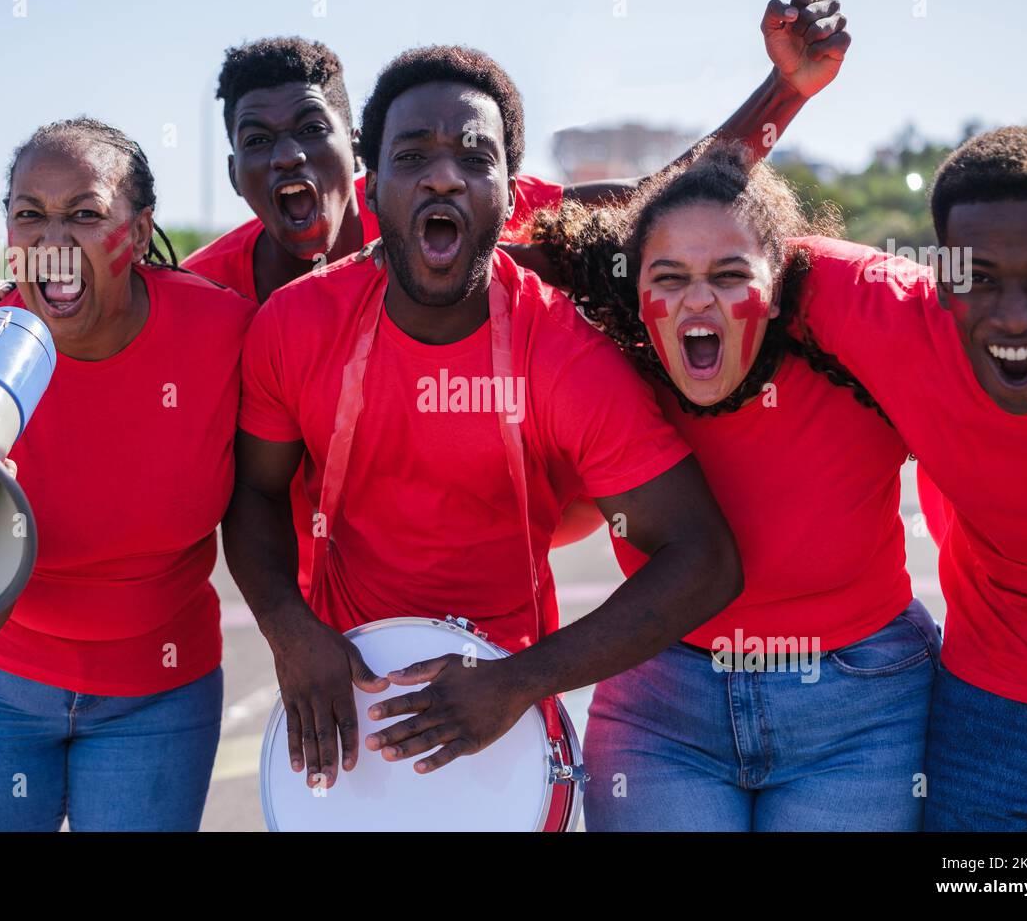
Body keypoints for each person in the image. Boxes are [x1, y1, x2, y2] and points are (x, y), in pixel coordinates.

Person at [224, 46, 743, 789]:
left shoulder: (563, 352)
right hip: (346, 697)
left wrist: (517, 682)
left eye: (475, 157)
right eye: (412, 156)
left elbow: (703, 557)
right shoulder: (295, 326)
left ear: (510, 191)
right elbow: (256, 490)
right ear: (374, 188)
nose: (443, 176)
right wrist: (288, 625)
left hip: (506, 705)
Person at [533, 141, 939, 830]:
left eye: (729, 275)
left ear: (777, 286)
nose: (698, 298)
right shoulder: (610, 369)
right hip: (663, 702)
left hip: (860, 707)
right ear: (635, 291)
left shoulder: (861, 340)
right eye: (669, 277)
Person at [0, 117, 254, 831]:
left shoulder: (225, 334)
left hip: (159, 695)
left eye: (86, 214)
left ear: (138, 230)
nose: (52, 240)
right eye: (28, 215)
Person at [794, 125, 1027, 830]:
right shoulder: (888, 317)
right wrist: (783, 95)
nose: (1013, 315)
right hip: (996, 717)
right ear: (940, 275)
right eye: (979, 278)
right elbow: (691, 235)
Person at [183, 0, 848, 306]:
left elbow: (653, 203)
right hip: (327, 574)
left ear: (360, 152)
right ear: (234, 170)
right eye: (258, 141)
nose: (288, 156)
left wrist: (785, 90)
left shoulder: (454, 201)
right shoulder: (206, 294)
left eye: (310, 128)